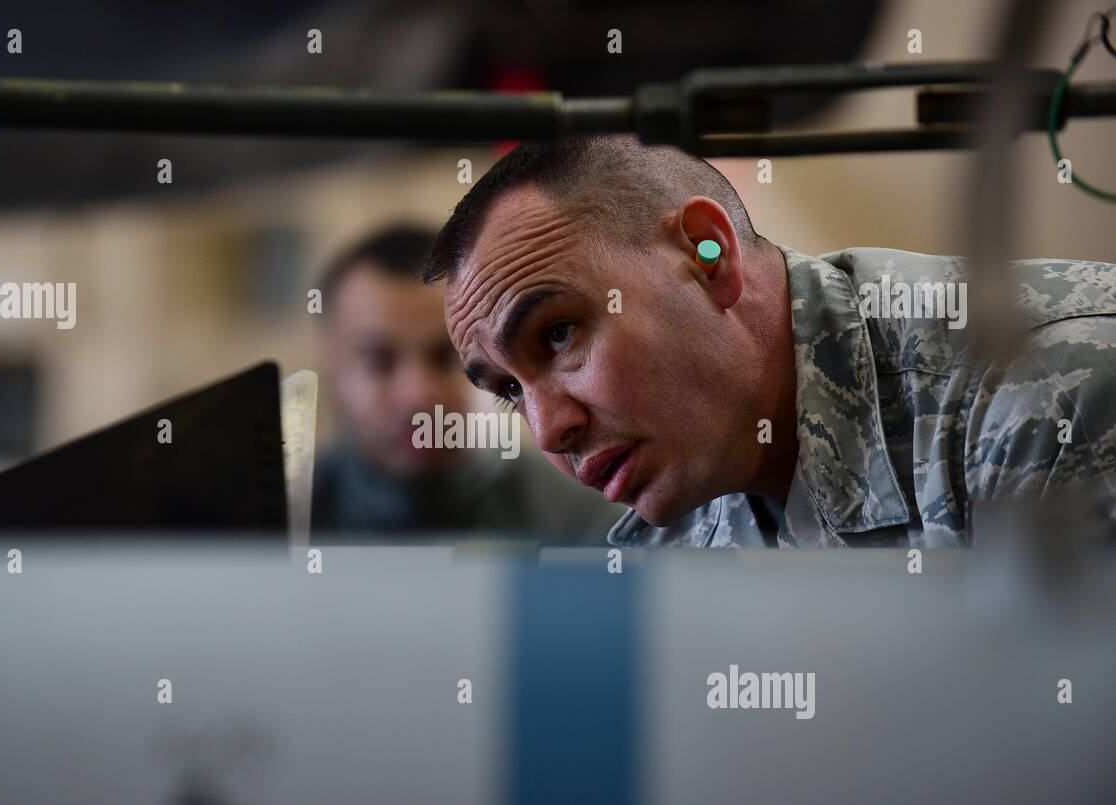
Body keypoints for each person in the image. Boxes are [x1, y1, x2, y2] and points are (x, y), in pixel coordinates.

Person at [421, 134, 1116, 547]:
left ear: (708, 254)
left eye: (560, 333)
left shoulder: (1046, 399)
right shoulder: (676, 527)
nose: (549, 429)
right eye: (509, 389)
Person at [311, 224, 621, 543]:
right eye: (378, 361)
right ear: (332, 369)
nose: (417, 395)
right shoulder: (273, 525)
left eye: (448, 356)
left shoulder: (592, 530)